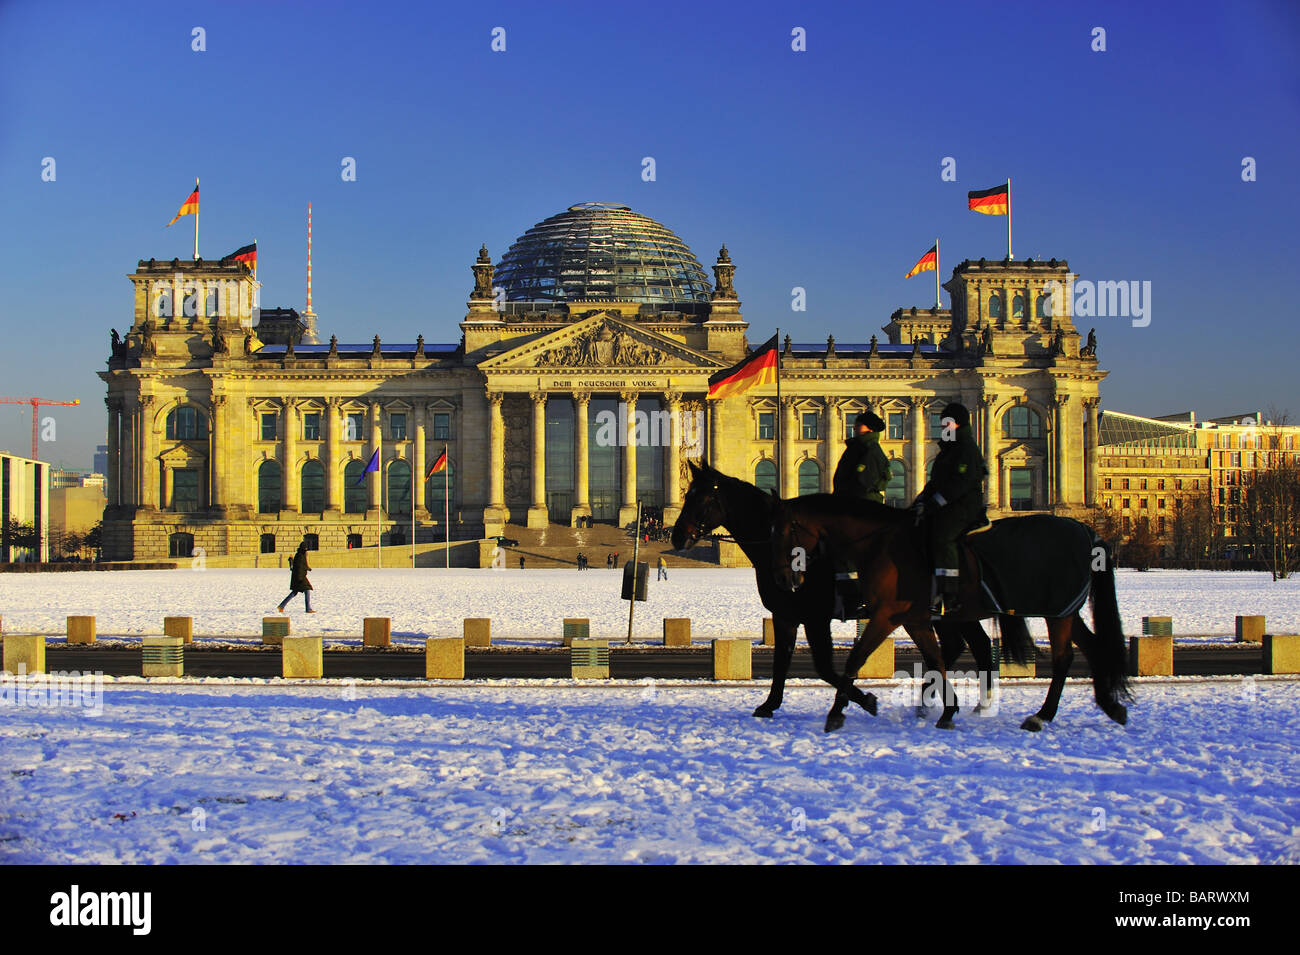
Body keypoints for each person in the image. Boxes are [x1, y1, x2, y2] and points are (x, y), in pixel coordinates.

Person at [912, 402, 988, 618]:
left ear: (958, 424)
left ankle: (949, 594)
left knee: (943, 537)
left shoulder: (966, 448)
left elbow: (960, 483)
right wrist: (922, 499)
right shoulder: (948, 450)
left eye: (947, 423)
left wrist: (937, 501)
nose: (943, 427)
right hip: (948, 504)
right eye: (942, 423)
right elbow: (936, 481)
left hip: (964, 506)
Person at [829, 411, 890, 619]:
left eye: (860, 425)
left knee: (846, 547)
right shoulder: (857, 448)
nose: (855, 427)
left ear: (870, 429)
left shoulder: (870, 451)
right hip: (850, 506)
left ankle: (853, 599)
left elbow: (862, 485)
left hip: (863, 509)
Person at [277, 540, 315, 613]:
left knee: (294, 592)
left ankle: (281, 606)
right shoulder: (301, 555)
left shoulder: (300, 555)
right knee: (307, 590)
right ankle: (308, 609)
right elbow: (299, 567)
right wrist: (300, 578)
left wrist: (308, 568)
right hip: (300, 578)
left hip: (298, 577)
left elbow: (300, 566)